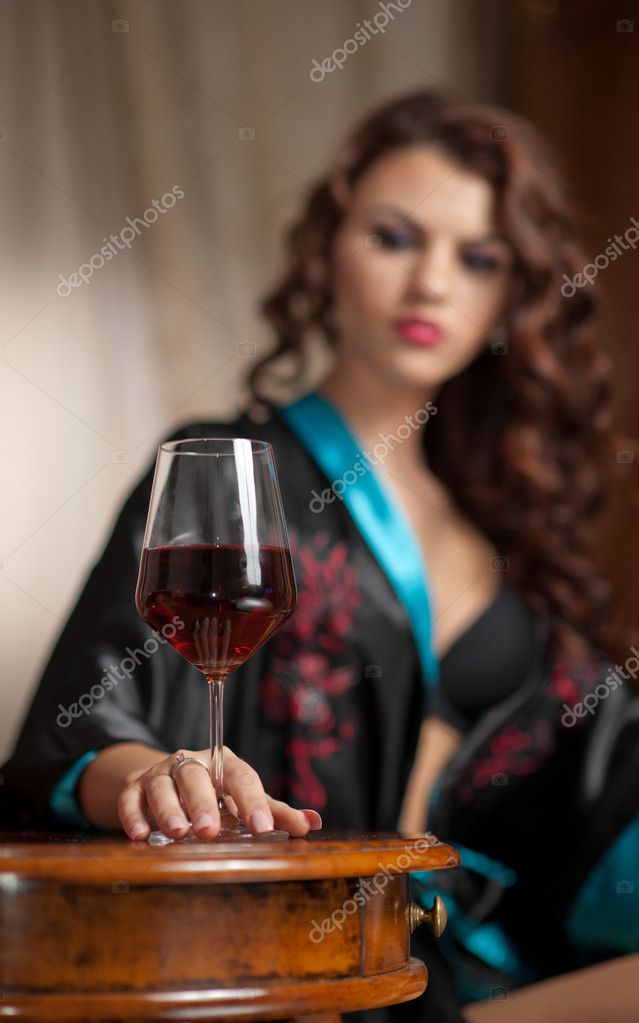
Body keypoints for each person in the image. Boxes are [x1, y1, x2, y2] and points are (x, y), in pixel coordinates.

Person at [2, 91, 638, 1022]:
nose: (431, 284)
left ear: (510, 294)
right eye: (394, 237)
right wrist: (145, 778)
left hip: (473, 967)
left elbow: (600, 781)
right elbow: (88, 708)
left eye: (477, 258)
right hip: (292, 962)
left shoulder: (508, 529)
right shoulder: (231, 480)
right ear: (325, 252)